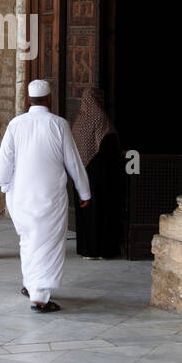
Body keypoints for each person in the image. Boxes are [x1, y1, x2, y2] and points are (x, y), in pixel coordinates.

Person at [0, 78, 90, 311]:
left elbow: (5, 160)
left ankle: (31, 284)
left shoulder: (15, 124)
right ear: (49, 98)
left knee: (29, 241)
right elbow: (73, 162)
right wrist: (84, 191)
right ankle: (39, 296)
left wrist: (5, 185)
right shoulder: (59, 124)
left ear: (29, 99)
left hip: (21, 195)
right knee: (47, 244)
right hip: (50, 197)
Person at [72, 86, 125, 259]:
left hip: (81, 172)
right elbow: (108, 147)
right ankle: (102, 250)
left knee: (85, 212)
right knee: (101, 211)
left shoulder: (78, 121)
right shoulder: (101, 118)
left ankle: (86, 250)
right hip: (99, 174)